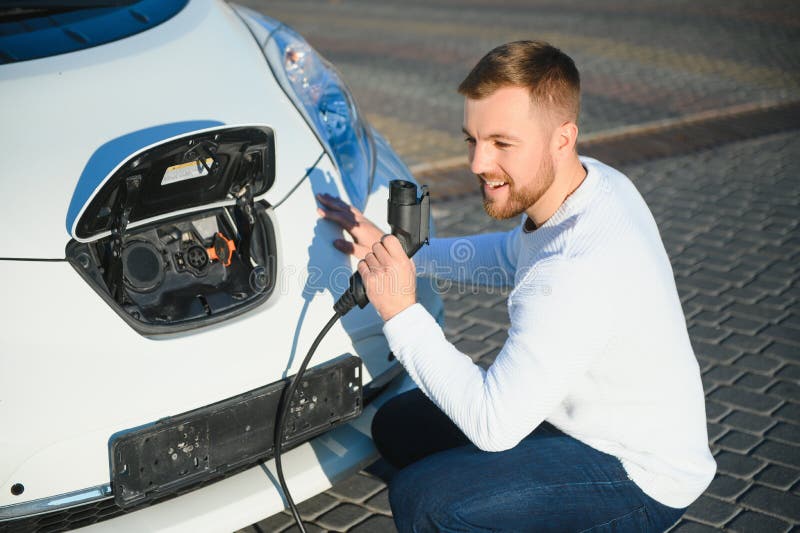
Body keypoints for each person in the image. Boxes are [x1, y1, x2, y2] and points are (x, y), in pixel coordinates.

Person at [317, 40, 715, 532]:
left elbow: (493, 426)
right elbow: (511, 253)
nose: (477, 163)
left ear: (562, 139)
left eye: (502, 144)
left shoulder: (575, 268)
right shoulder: (594, 183)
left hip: (639, 473)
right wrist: (407, 253)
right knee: (398, 426)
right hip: (576, 420)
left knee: (426, 501)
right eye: (472, 139)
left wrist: (400, 311)